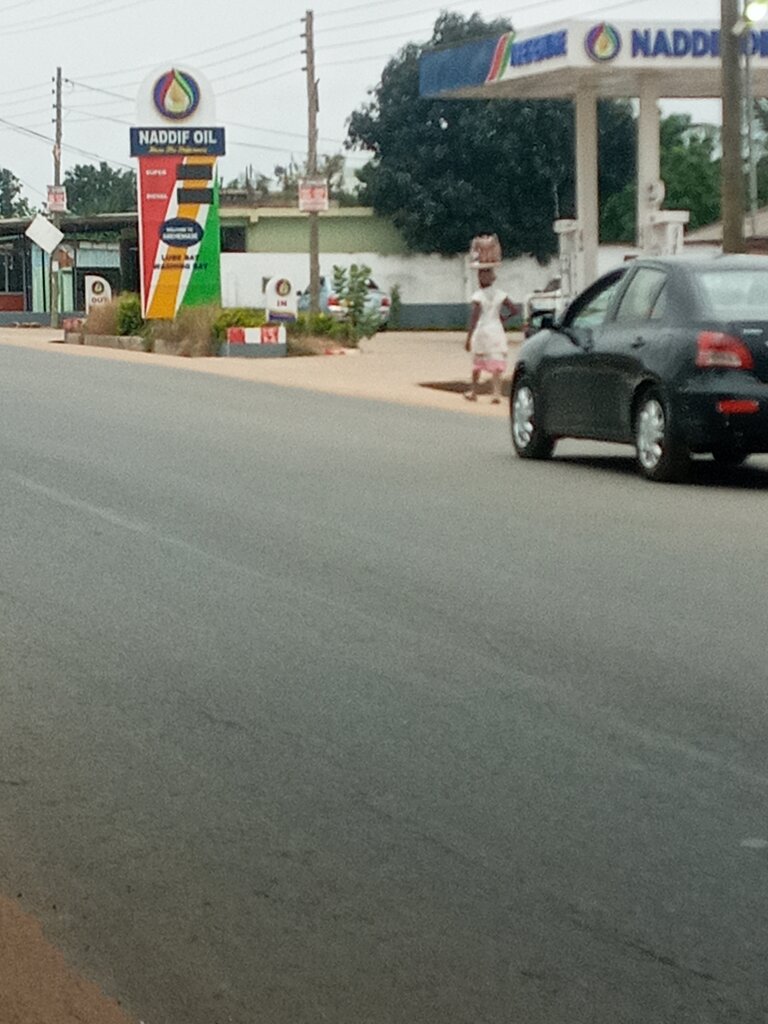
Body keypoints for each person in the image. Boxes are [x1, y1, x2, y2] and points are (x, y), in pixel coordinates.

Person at [464, 267, 517, 403]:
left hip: (482, 330)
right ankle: (496, 393)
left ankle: (474, 391)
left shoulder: (478, 296)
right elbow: (514, 310)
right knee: (496, 362)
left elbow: (474, 318)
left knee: (477, 363)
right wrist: (504, 317)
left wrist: (469, 337)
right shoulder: (500, 294)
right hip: (496, 329)